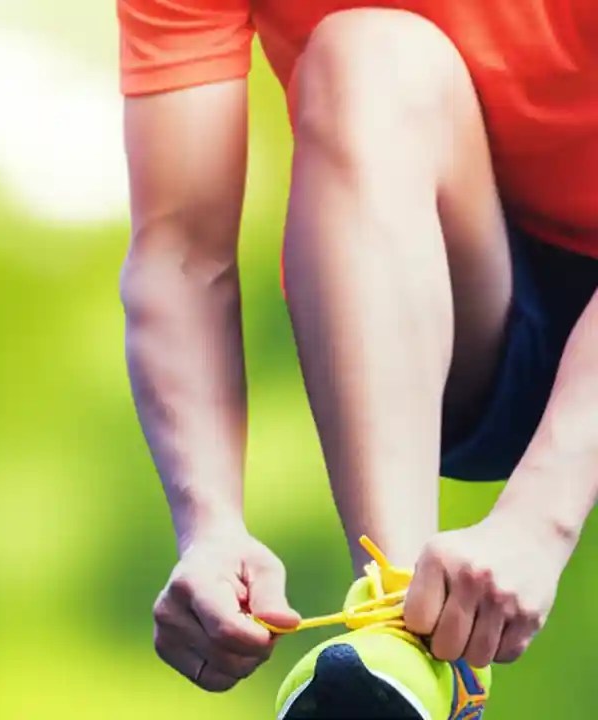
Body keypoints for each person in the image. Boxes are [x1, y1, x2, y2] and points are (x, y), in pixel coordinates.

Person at [117, 3, 598, 718]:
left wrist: (539, 521)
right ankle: (405, 638)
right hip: (472, 293)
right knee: (365, 51)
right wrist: (210, 525)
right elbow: (180, 250)